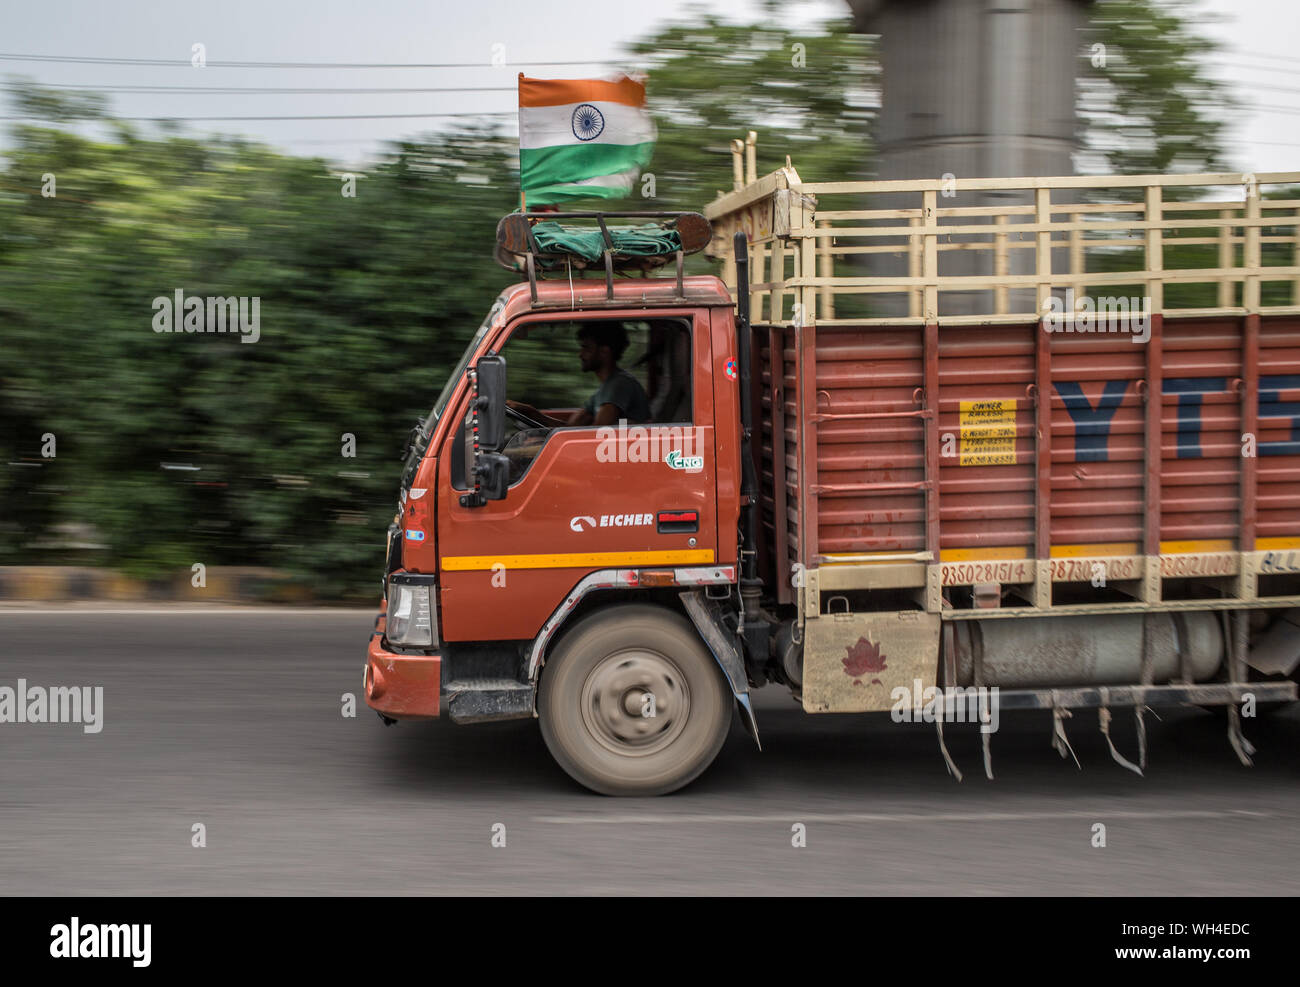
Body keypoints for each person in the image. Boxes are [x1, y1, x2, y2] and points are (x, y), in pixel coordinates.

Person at [508, 323, 650, 428]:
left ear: (604, 352)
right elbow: (570, 428)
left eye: (586, 348)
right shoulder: (604, 390)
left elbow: (596, 434)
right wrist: (531, 412)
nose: (580, 354)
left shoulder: (620, 385)